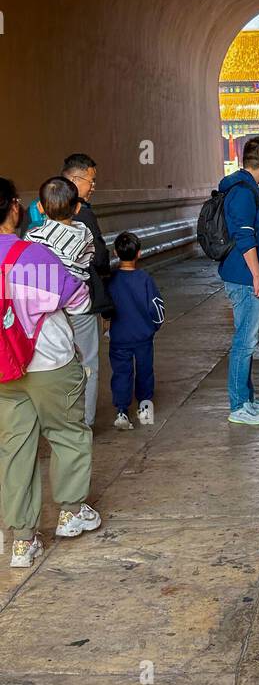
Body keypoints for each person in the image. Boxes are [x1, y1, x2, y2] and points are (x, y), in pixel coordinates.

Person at [0, 176, 101, 569]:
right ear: (13, 208)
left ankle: (22, 542)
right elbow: (76, 300)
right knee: (67, 434)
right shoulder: (32, 255)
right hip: (49, 362)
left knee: (14, 448)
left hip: (5, 370)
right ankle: (71, 512)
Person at [27, 153, 111, 428]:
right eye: (91, 180)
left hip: (46, 307)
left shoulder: (33, 236)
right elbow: (94, 260)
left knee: (50, 362)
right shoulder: (84, 228)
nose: (94, 186)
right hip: (79, 303)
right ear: (75, 207)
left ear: (41, 206)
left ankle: (52, 417)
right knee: (87, 362)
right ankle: (82, 421)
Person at [217, 135, 259, 427]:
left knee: (248, 339)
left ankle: (247, 399)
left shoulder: (245, 188)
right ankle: (238, 405)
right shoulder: (243, 193)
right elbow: (244, 237)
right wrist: (257, 275)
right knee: (244, 341)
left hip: (244, 275)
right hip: (244, 277)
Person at [107, 232, 165, 430]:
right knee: (145, 371)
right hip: (142, 337)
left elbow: (106, 308)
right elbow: (156, 307)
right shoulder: (145, 279)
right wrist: (154, 326)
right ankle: (145, 410)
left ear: (115, 252)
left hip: (119, 337)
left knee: (122, 373)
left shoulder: (111, 279)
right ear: (139, 253)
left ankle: (122, 411)